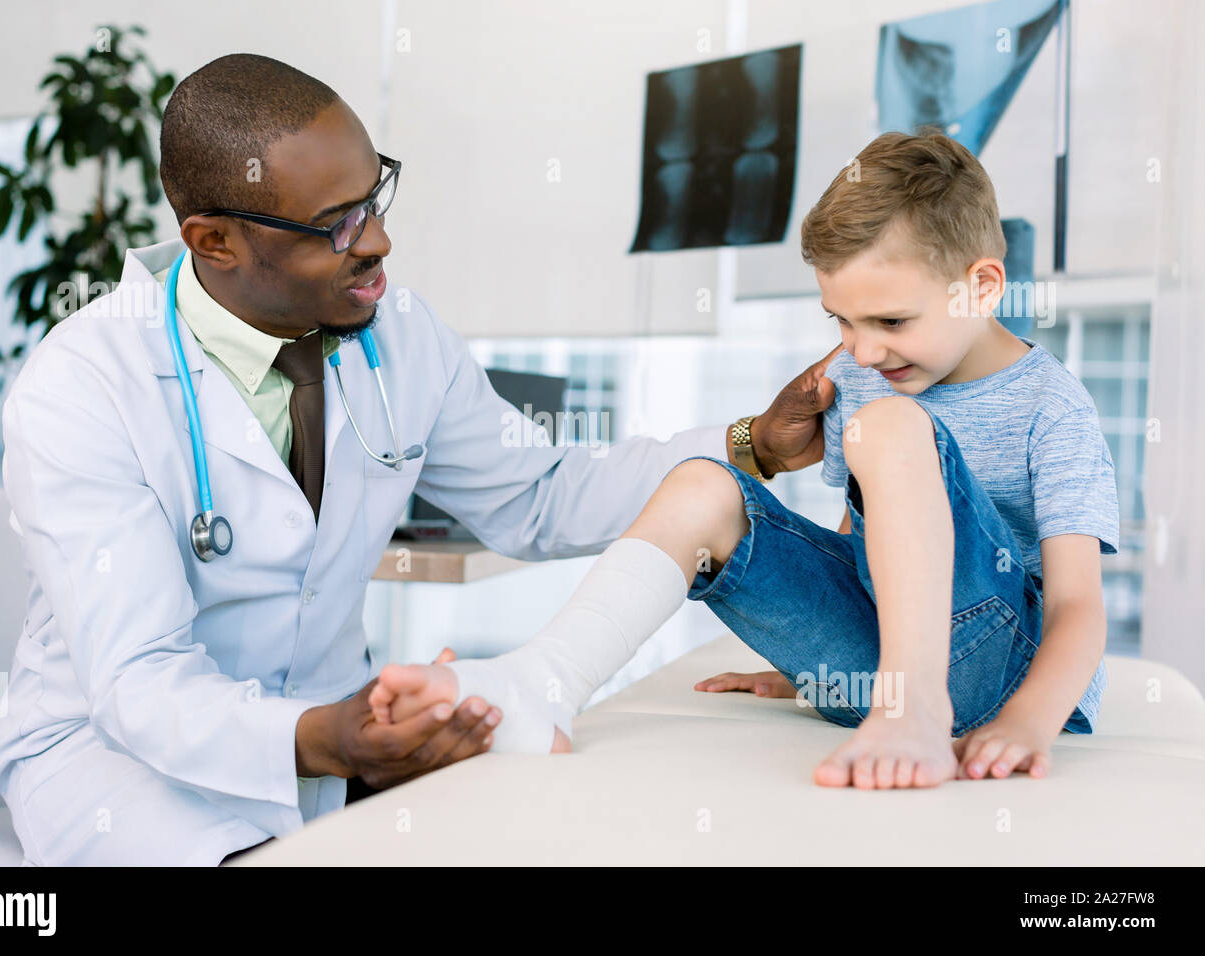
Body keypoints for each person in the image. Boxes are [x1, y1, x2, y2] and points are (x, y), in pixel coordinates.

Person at [0, 52, 840, 866]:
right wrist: (323, 737)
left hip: (340, 742)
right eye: (338, 226)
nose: (380, 243)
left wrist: (753, 446)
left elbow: (538, 498)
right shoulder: (84, 388)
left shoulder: (397, 334)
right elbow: (140, 684)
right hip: (122, 771)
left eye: (376, 197)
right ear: (214, 241)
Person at [371, 130, 1119, 790]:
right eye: (841, 320)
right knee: (704, 482)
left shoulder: (1050, 404)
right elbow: (862, 552)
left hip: (1005, 671)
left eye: (891, 320)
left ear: (982, 286)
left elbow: (1079, 607)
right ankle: (543, 682)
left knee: (892, 428)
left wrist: (1028, 722)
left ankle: (911, 705)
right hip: (880, 663)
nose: (860, 350)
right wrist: (818, 660)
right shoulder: (868, 372)